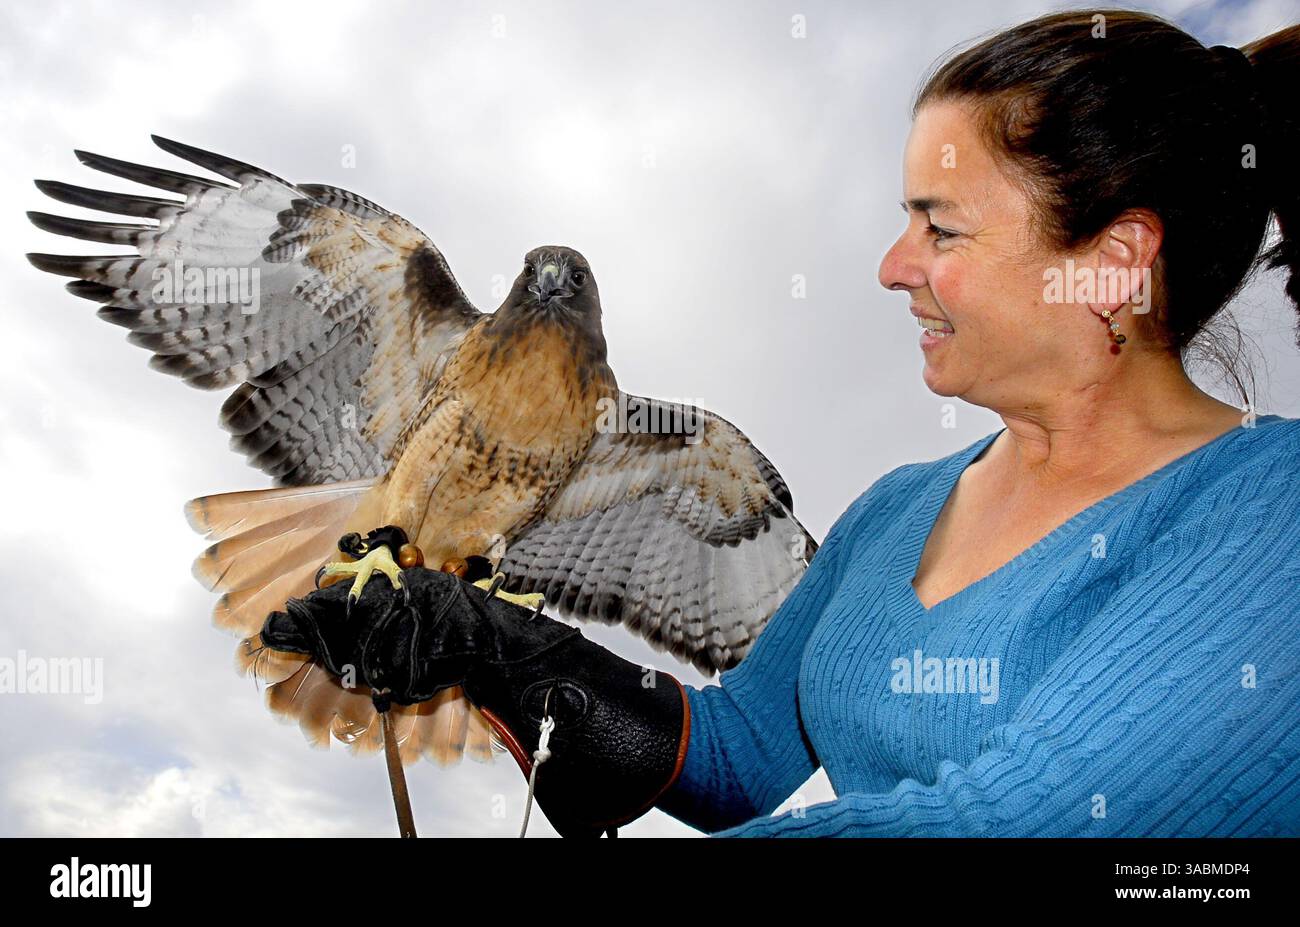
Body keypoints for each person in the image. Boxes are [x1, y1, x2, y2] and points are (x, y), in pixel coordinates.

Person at [275, 9, 1300, 837]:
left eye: (940, 227)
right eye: (903, 219)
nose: (892, 266)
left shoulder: (1271, 508)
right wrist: (508, 653)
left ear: (1112, 264)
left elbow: (1004, 822)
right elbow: (739, 755)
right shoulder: (897, 510)